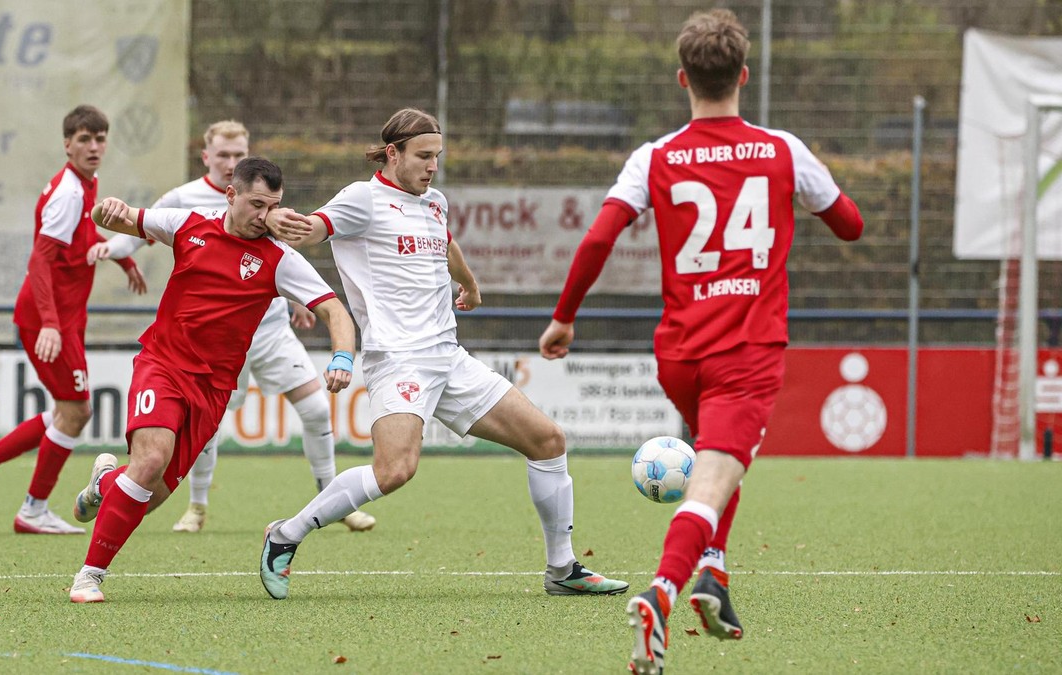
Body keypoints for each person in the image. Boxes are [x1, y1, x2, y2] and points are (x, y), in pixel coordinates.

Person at [537, 10, 865, 674]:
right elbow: (851, 225)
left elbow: (600, 236)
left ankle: (714, 572)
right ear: (743, 75)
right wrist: (802, 200)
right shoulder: (782, 150)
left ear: (683, 78)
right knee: (716, 472)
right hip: (747, 348)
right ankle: (664, 589)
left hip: (679, 353)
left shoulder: (654, 155)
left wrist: (565, 316)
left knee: (721, 457)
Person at [259, 107, 629, 601]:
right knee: (395, 470)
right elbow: (317, 227)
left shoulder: (434, 202)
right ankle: (285, 534)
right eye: (424, 156)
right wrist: (287, 221)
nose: (433, 166)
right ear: (392, 153)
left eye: (438, 156)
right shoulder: (363, 199)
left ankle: (562, 568)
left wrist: (470, 284)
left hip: (448, 357)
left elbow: (444, 242)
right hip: (398, 358)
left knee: (548, 440)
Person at [67, 157, 357, 603]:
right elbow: (127, 219)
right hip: (162, 364)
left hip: (213, 389)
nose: (265, 216)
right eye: (256, 204)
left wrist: (342, 356)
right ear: (230, 195)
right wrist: (107, 211)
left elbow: (334, 310)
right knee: (149, 462)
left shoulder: (280, 259)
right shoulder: (189, 225)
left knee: (151, 492)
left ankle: (104, 482)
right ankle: (89, 575)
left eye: (274, 206)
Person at [90, 120, 375, 534]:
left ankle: (332, 501)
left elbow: (296, 270)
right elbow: (130, 225)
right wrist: (112, 243)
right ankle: (197, 506)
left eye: (237, 154)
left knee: (315, 410)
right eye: (222, 155)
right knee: (180, 450)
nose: (229, 162)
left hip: (270, 329)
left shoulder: (267, 212)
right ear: (208, 159)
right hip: (201, 347)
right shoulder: (186, 204)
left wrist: (297, 300)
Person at [0, 105, 146, 535]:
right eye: (84, 139)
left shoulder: (84, 185)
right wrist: (52, 324)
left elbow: (81, 235)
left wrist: (122, 261)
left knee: (67, 410)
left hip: (61, 317)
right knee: (77, 412)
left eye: (100, 138)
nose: (94, 147)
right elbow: (40, 258)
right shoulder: (69, 192)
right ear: (67, 144)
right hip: (48, 319)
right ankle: (33, 510)